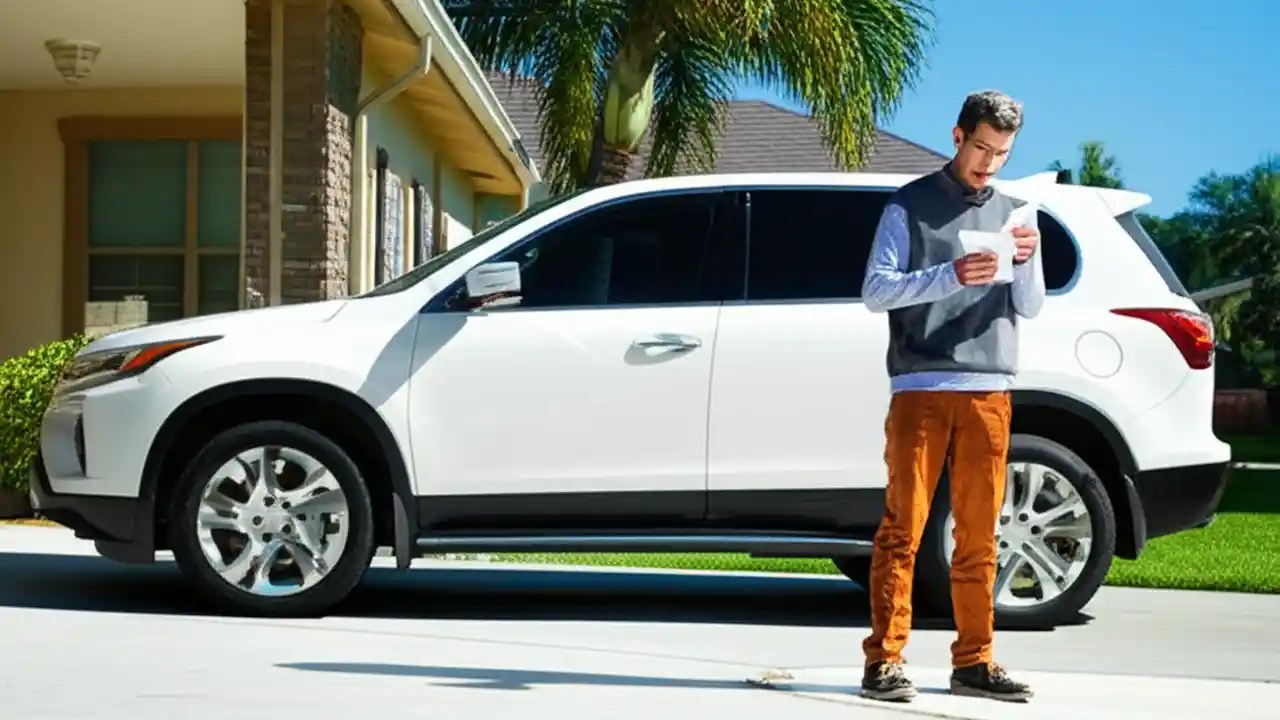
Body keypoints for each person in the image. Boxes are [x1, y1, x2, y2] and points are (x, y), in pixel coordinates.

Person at [857, 89, 1045, 703]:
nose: (989, 164)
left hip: (990, 391)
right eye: (982, 148)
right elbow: (876, 291)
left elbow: (1029, 306)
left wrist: (1030, 259)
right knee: (904, 528)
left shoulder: (1018, 213)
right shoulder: (908, 207)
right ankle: (883, 662)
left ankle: (975, 662)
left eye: (1003, 153)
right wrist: (948, 277)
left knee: (978, 535)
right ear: (958, 135)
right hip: (922, 387)